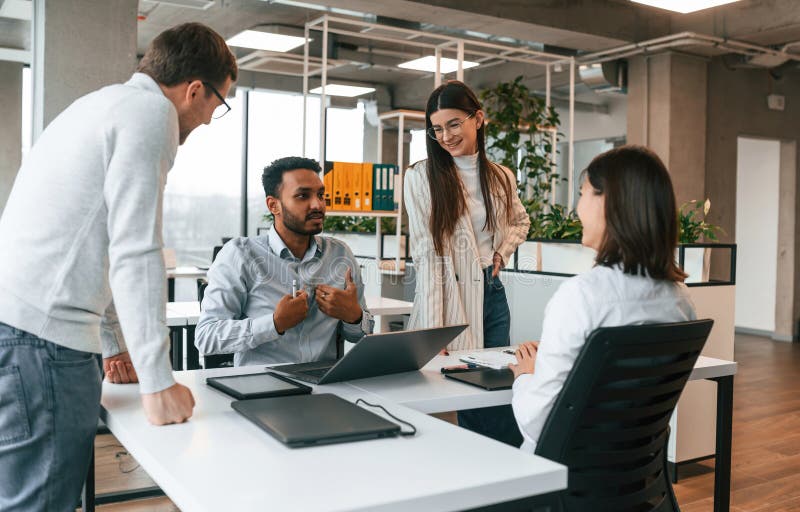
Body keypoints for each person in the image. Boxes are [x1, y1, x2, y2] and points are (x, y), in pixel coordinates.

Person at [0, 22, 237, 511]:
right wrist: (157, 382)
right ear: (195, 88)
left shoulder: (101, 105)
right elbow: (135, 250)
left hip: (19, 331)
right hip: (42, 345)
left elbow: (95, 238)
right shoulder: (152, 115)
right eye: (218, 103)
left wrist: (115, 346)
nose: (213, 119)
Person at [509, 145, 697, 452]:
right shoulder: (680, 301)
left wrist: (527, 376)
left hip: (558, 485)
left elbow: (538, 424)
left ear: (608, 202)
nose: (577, 209)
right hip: (635, 484)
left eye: (582, 193)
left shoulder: (582, 297)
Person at [404, 80, 530, 446]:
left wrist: (501, 253)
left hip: (491, 293)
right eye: (437, 128)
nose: (445, 135)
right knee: (464, 388)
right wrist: (434, 325)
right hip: (449, 296)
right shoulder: (421, 176)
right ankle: (488, 475)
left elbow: (520, 221)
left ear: (478, 119)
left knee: (495, 389)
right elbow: (427, 255)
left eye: (454, 124)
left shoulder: (501, 176)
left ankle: (505, 475)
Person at [195, 156, 374, 366]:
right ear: (274, 206)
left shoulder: (340, 255)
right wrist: (274, 323)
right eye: (302, 196)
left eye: (321, 195)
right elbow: (206, 338)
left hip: (326, 384)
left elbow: (362, 334)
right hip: (261, 386)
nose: (317, 204)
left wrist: (354, 316)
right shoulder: (240, 255)